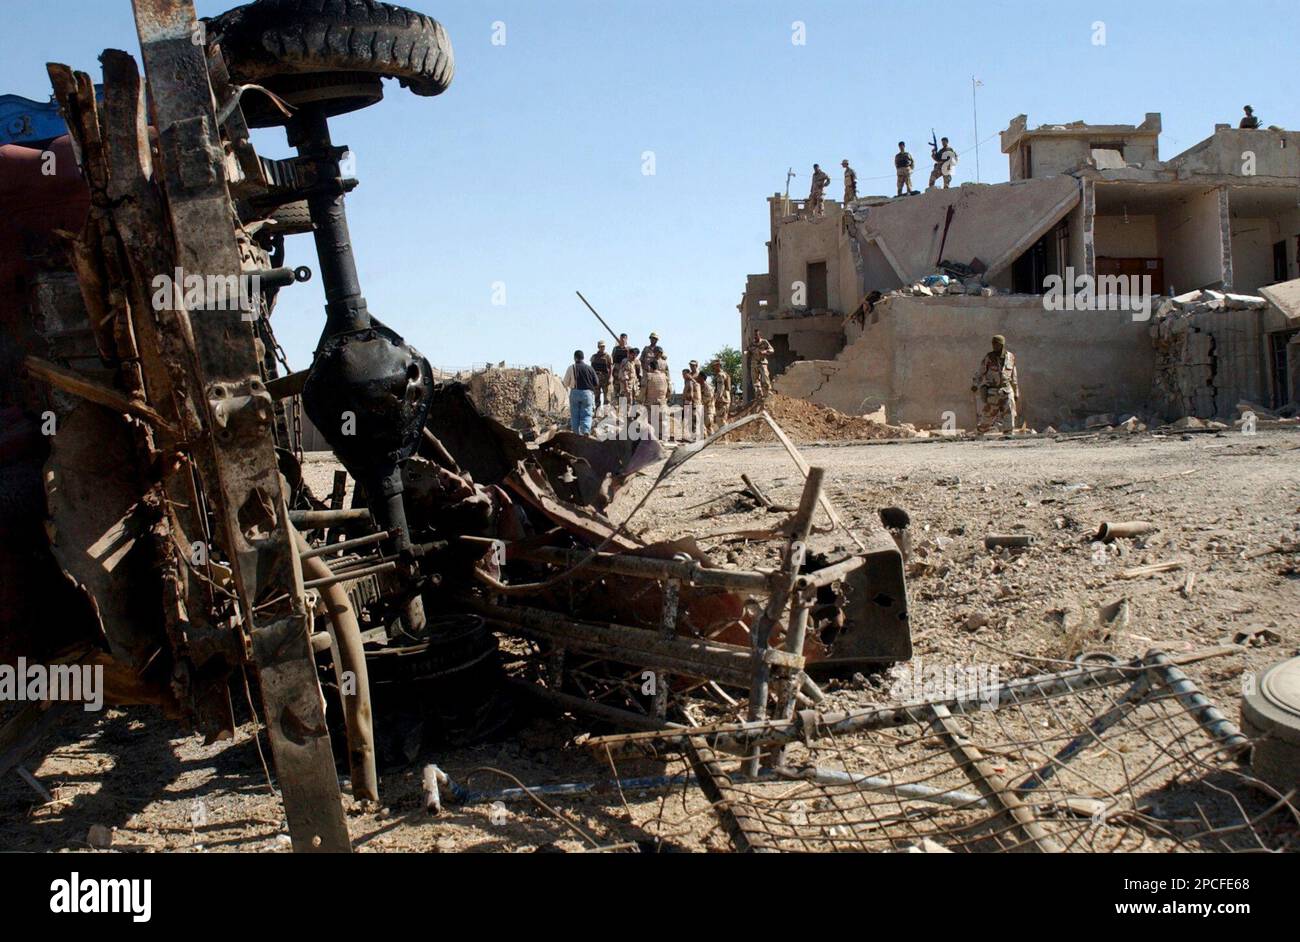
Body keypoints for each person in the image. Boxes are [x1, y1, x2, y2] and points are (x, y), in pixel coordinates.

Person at [971, 335, 1020, 434]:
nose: (995, 346)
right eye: (993, 344)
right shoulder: (989, 358)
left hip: (1007, 390)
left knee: (1009, 415)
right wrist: (975, 384)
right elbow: (980, 372)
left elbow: (1014, 377)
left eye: (997, 344)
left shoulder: (1010, 357)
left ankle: (1008, 435)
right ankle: (980, 432)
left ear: (1002, 345)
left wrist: (1016, 392)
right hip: (993, 392)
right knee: (987, 417)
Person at [563, 349, 600, 435]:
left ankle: (575, 433)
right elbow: (596, 382)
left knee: (575, 415)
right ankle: (586, 431)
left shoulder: (571, 368)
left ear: (575, 358)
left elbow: (565, 382)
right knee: (587, 414)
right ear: (583, 358)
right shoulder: (589, 368)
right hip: (587, 393)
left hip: (575, 392)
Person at [640, 331, 670, 437]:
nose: (653, 340)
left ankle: (659, 434)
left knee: (659, 414)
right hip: (649, 379)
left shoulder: (663, 361)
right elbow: (641, 362)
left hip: (660, 384)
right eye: (652, 338)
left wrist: (668, 389)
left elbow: (667, 374)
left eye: (655, 339)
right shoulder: (646, 351)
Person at [748, 330, 775, 400]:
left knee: (765, 378)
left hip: (762, 363)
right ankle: (758, 395)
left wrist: (765, 352)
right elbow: (749, 351)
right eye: (754, 335)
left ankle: (768, 393)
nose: (755, 337)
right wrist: (748, 353)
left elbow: (772, 350)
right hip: (754, 364)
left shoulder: (764, 342)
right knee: (755, 381)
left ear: (759, 335)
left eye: (756, 335)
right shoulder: (752, 343)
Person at [680, 367, 702, 440]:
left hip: (689, 402)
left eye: (684, 374)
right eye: (683, 374)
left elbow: (691, 393)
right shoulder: (687, 381)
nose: (683, 376)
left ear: (688, 374)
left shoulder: (689, 381)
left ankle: (691, 435)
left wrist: (688, 401)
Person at [590, 340, 612, 409]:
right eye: (601, 346)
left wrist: (610, 377)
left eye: (603, 346)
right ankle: (597, 410)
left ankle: (606, 412)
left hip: (605, 378)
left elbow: (611, 368)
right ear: (598, 347)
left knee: (607, 396)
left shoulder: (608, 356)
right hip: (597, 378)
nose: (602, 348)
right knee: (597, 395)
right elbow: (592, 368)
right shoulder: (594, 356)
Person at [711, 359, 732, 424]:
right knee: (723, 419)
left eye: (714, 366)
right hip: (725, 399)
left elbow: (720, 389)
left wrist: (715, 400)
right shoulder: (725, 374)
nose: (713, 368)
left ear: (718, 366)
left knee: (720, 420)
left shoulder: (720, 375)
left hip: (722, 400)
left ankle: (726, 434)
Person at [698, 369, 716, 436]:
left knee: (709, 426)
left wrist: (700, 401)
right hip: (703, 409)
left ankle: (712, 440)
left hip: (708, 410)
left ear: (702, 378)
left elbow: (708, 398)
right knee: (702, 426)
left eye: (699, 377)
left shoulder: (708, 387)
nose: (697, 378)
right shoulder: (700, 386)